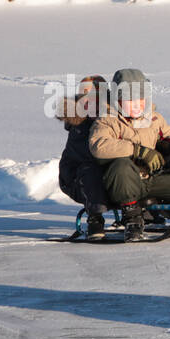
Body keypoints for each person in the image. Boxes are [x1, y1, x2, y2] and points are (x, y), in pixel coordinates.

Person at [89, 68, 170, 241]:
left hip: (151, 180)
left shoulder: (154, 118)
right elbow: (99, 146)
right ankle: (132, 216)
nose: (137, 104)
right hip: (123, 186)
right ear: (118, 99)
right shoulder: (107, 120)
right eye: (131, 99)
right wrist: (137, 151)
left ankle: (169, 210)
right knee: (121, 166)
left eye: (141, 98)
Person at [55, 74, 111, 239]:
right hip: (76, 177)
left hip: (106, 174)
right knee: (91, 170)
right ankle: (95, 219)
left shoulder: (111, 121)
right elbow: (83, 154)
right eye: (84, 94)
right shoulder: (79, 125)